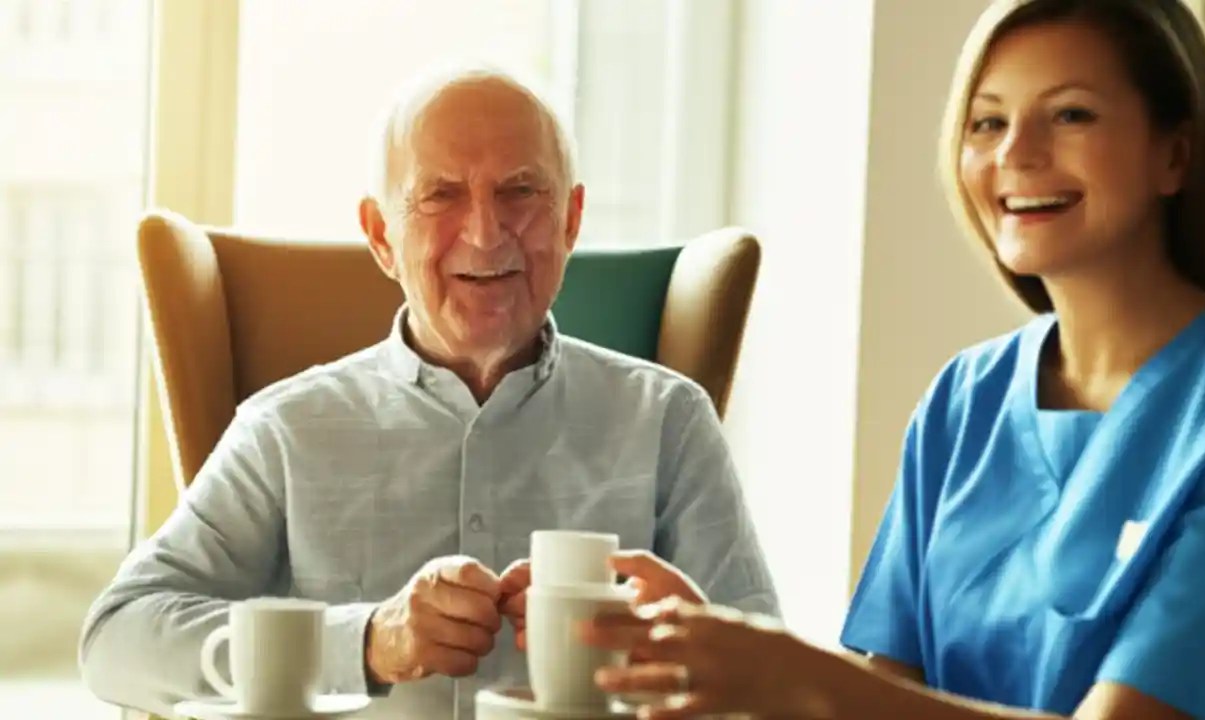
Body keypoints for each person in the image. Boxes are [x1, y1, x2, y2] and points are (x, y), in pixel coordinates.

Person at [582, 1, 1205, 718]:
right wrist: (718, 660)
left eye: (1071, 115)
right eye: (988, 122)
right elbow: (883, 692)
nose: (1016, 153)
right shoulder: (966, 398)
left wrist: (792, 674)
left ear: (1176, 152)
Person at [79, 67, 777, 720]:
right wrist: (367, 642)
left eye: (521, 192)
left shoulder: (667, 422)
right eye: (441, 195)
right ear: (382, 236)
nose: (485, 232)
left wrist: (686, 644)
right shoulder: (285, 430)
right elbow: (116, 640)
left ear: (570, 219)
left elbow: (779, 685)